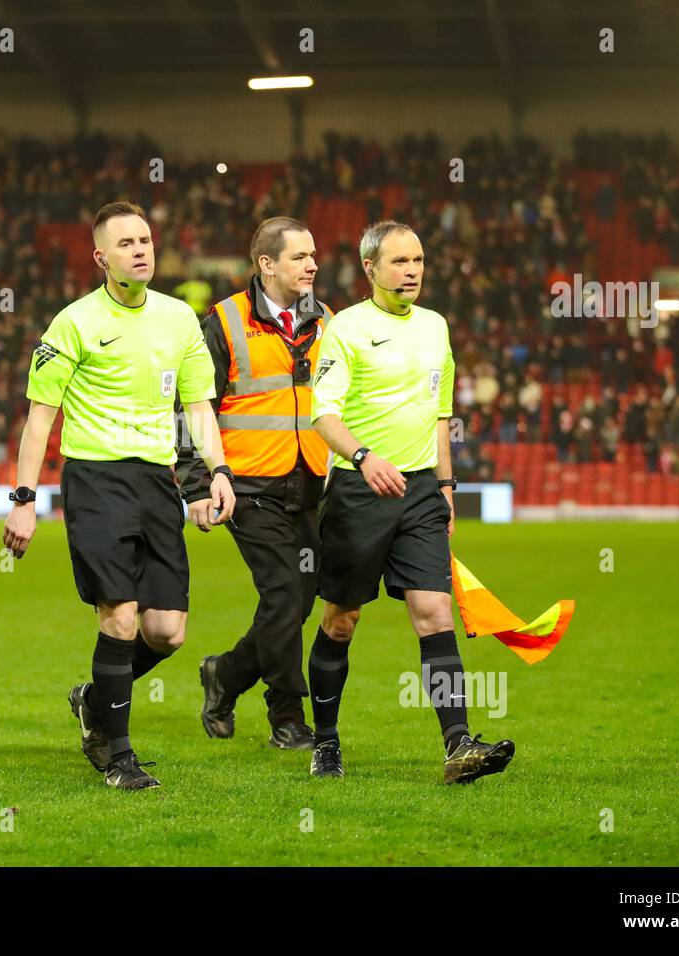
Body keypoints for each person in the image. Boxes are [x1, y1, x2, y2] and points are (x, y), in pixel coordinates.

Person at [2, 201, 236, 790]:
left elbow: (198, 408)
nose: (141, 249)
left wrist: (219, 471)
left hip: (156, 482)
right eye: (126, 243)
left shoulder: (181, 320)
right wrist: (24, 498)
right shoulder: (72, 323)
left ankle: (93, 700)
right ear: (101, 257)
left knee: (167, 631)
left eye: (147, 239)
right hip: (96, 481)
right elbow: (39, 419)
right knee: (122, 616)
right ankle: (119, 755)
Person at [306, 219, 514, 783]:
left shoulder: (436, 327)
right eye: (399, 262)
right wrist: (363, 458)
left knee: (434, 612)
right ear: (370, 269)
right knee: (341, 620)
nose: (412, 271)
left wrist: (447, 488)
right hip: (359, 490)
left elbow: (440, 415)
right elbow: (322, 414)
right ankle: (325, 741)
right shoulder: (345, 329)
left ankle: (458, 744)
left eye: (418, 261)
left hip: (421, 490)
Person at [177, 216, 333, 749]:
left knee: (298, 599)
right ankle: (287, 718)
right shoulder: (222, 321)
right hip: (246, 487)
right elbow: (190, 408)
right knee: (285, 593)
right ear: (266, 264)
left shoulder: (327, 321)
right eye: (299, 256)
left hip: (309, 484)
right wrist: (197, 484)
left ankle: (227, 673)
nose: (312, 264)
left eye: (314, 255)